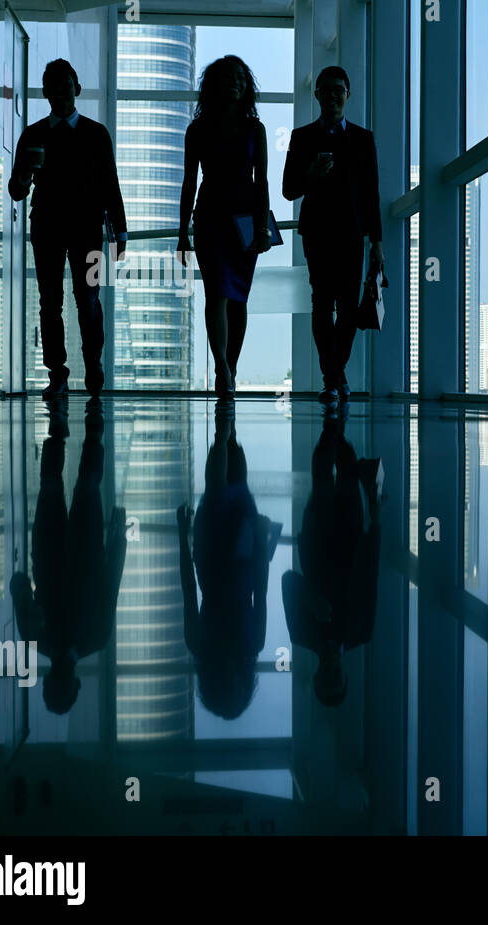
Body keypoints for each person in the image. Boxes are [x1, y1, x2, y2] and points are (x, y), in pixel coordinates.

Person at [8, 59, 127, 400]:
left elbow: (109, 184)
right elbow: (17, 191)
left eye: (65, 84)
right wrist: (25, 175)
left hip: (87, 228)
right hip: (47, 227)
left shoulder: (95, 134)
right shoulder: (33, 134)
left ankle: (92, 362)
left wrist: (120, 232)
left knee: (87, 299)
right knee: (50, 302)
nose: (59, 91)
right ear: (45, 92)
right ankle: (58, 372)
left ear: (76, 89)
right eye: (53, 85)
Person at [10, 398, 126, 714]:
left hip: (84, 547)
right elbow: (18, 584)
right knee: (54, 485)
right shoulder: (36, 637)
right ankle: (60, 422)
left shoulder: (96, 638)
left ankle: (90, 419)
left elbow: (110, 584)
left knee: (85, 484)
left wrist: (118, 543)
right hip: (50, 551)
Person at [282, 65, 384, 402]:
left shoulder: (363, 139)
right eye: (326, 89)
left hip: (352, 235)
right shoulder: (302, 137)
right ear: (317, 95)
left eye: (338, 89)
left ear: (348, 94)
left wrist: (377, 242)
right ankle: (334, 378)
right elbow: (287, 190)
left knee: (348, 309)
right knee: (322, 305)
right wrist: (310, 173)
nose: (332, 95)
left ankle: (332, 375)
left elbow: (372, 193)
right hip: (318, 234)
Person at [179, 400, 282, 720]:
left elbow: (260, 592)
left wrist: (261, 547)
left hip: (236, 560)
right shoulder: (203, 645)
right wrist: (182, 537)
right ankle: (225, 425)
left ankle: (226, 424)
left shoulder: (251, 646)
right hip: (217, 562)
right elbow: (187, 588)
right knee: (224, 486)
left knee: (230, 485)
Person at [177, 56, 272, 398]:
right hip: (210, 217)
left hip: (246, 218)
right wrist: (181, 231)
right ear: (214, 84)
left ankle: (230, 367)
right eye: (227, 77)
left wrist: (262, 227)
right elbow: (189, 181)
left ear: (246, 85)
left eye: (240, 77)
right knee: (216, 292)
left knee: (238, 298)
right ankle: (222, 369)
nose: (235, 82)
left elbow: (262, 182)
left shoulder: (255, 129)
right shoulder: (197, 129)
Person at [281, 405, 383, 706]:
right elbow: (371, 577)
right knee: (344, 469)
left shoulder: (302, 633)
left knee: (324, 472)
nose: (328, 673)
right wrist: (375, 524)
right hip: (349, 536)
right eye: (334, 679)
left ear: (315, 677)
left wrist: (311, 596)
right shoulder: (360, 632)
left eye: (323, 679)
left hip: (318, 537)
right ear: (344, 676)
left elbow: (288, 581)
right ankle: (335, 417)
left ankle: (333, 420)